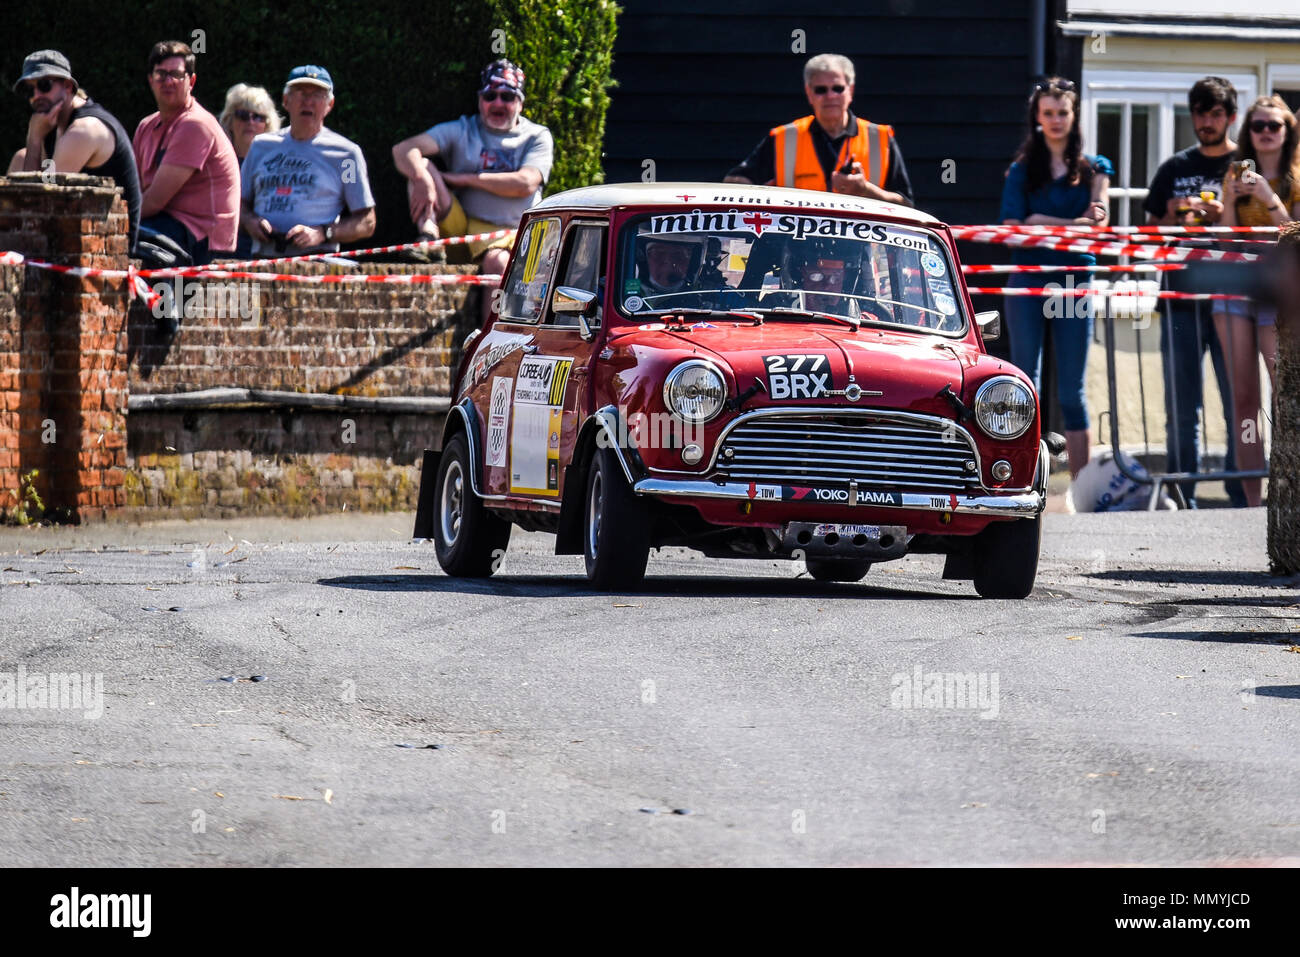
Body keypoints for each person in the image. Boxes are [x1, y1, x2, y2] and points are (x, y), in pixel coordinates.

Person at [999, 77, 1111, 479]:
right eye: (1048, 112)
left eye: (1062, 111)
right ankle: (1020, 479)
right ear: (1037, 117)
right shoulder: (1022, 169)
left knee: (1073, 391)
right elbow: (1012, 225)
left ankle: (1084, 487)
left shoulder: (1095, 167)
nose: (1056, 119)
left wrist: (1043, 221)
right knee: (1024, 382)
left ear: (1074, 114)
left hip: (1074, 280)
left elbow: (1098, 224)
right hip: (1028, 279)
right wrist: (1073, 224)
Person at [1144, 76, 1247, 507]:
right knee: (1182, 408)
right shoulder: (1173, 169)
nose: (1207, 121)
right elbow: (1146, 235)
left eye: (1216, 113)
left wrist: (1223, 214)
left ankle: (1242, 490)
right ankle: (1182, 497)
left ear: (1231, 116)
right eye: (1201, 113)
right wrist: (1171, 217)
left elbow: (1264, 231)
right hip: (1180, 298)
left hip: (1234, 299)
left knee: (1238, 402)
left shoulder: (1245, 166)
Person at [392, 58, 553, 316]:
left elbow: (526, 183)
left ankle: (489, 342)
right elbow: (403, 150)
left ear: (520, 103)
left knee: (497, 262)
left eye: (507, 97)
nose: (498, 103)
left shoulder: (536, 136)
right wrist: (421, 178)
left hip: (515, 234)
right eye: (491, 96)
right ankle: (428, 239)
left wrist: (464, 179)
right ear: (480, 101)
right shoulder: (462, 129)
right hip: (463, 229)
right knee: (420, 163)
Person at [1214, 95, 1300, 506]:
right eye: (1258, 125)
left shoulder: (1297, 178)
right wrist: (1230, 199)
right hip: (1236, 289)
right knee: (1244, 399)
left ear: (1287, 132)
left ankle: (1284, 494)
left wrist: (1267, 195)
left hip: (1282, 294)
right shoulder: (1233, 174)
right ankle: (1252, 500)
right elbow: (1225, 240)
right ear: (1248, 132)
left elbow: (1294, 233)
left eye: (1274, 125)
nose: (1265, 133)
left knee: (1282, 392)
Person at [724, 53, 913, 206]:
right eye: (821, 90)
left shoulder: (879, 138)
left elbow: (906, 205)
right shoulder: (784, 137)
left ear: (851, 91)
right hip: (795, 249)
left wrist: (866, 190)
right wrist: (761, 197)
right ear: (809, 93)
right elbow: (735, 181)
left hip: (865, 250)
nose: (830, 96)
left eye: (837, 88)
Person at [8, 49, 141, 252]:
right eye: (29, 91)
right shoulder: (55, 126)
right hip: (82, 242)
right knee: (21, 158)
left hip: (111, 253)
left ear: (68, 86)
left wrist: (34, 138)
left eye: (44, 86)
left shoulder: (83, 130)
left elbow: (38, 206)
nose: (36, 96)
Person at [239, 65, 376, 258]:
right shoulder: (261, 147)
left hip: (316, 263)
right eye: (300, 93)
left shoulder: (345, 156)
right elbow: (238, 204)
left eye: (318, 95)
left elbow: (366, 221)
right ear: (286, 101)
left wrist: (323, 233)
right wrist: (250, 221)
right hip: (262, 260)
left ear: (330, 105)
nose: (308, 102)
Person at [132, 41, 239, 265]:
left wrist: (115, 223)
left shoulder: (195, 125)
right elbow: (135, 189)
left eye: (176, 75)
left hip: (202, 239)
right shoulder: (146, 126)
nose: (168, 81)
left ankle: (164, 301)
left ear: (191, 81)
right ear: (150, 80)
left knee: (122, 242)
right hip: (165, 225)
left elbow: (153, 202)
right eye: (161, 74)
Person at [218, 84, 281, 257]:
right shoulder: (216, 163)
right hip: (219, 251)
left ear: (268, 125)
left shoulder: (278, 166)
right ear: (229, 121)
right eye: (243, 115)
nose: (250, 122)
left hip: (265, 251)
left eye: (258, 117)